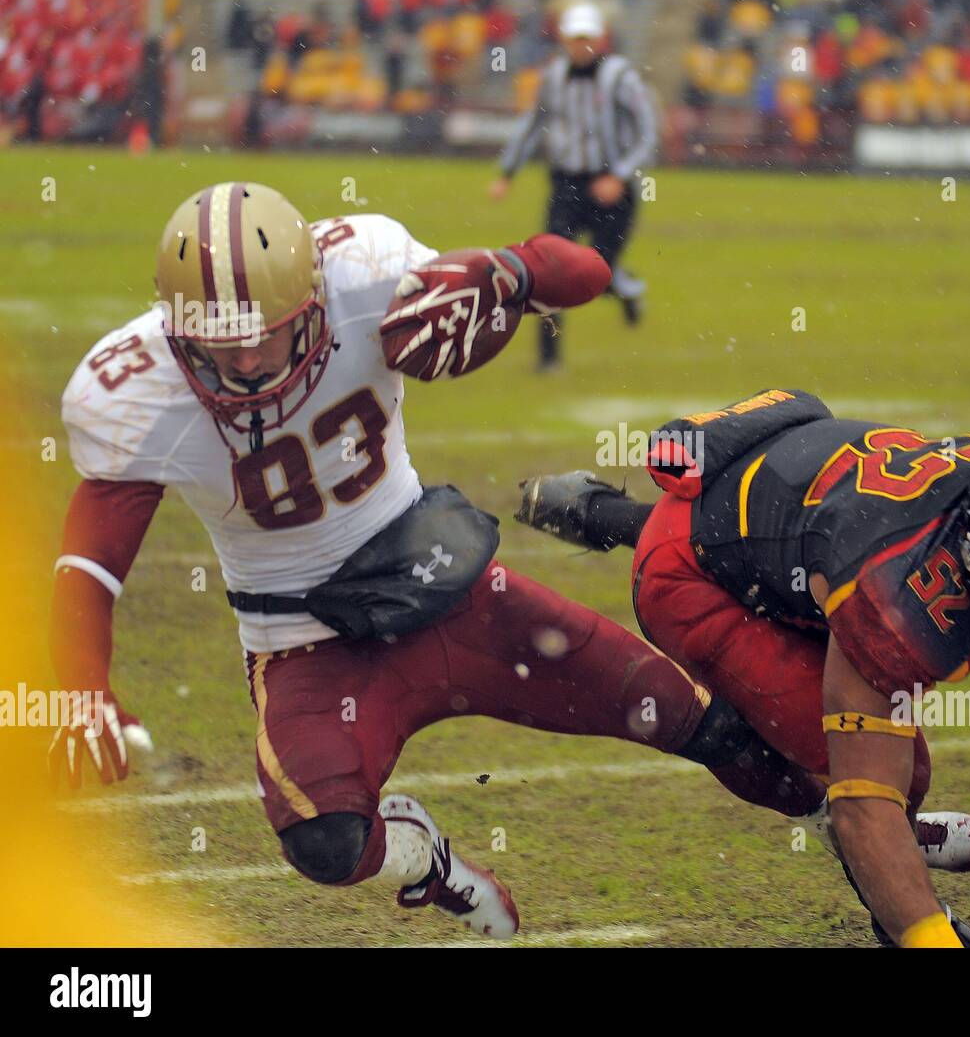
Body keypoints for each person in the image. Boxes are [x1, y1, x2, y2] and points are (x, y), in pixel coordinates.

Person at [47, 188, 847, 941]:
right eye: (224, 344)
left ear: (315, 302)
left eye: (268, 332)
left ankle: (857, 827)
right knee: (324, 841)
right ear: (176, 329)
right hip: (302, 640)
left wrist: (511, 270)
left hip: (450, 591)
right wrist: (81, 683)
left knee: (697, 719)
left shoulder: (368, 272)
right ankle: (423, 859)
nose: (251, 362)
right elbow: (93, 560)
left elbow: (588, 274)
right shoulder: (134, 387)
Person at [517, 390, 970, 946]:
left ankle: (594, 512)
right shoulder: (899, 591)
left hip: (789, 519)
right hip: (697, 578)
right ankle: (709, 729)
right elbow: (862, 802)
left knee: (894, 773)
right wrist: (930, 936)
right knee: (875, 781)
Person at [489, 1, 656, 369]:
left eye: (587, 38)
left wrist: (620, 174)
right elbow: (533, 125)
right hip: (567, 185)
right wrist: (507, 172)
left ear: (599, 39)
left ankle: (626, 289)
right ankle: (549, 358)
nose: (580, 46)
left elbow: (647, 132)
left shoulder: (620, 77)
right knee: (551, 270)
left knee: (600, 270)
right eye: (574, 38)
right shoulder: (553, 76)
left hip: (612, 188)